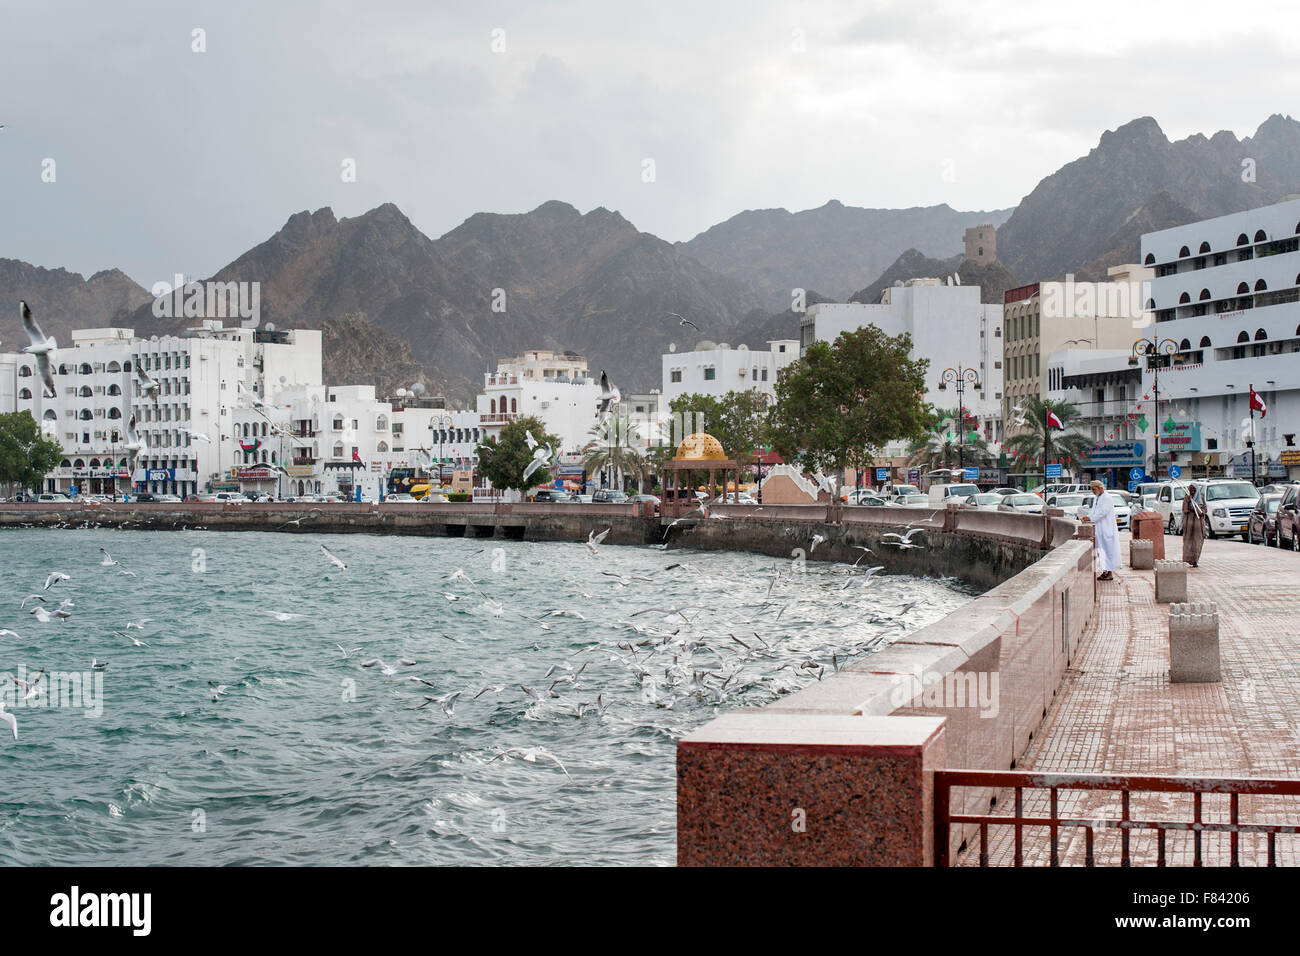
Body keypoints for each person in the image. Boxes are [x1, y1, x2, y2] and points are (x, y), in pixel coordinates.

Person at [1088, 479, 1120, 581]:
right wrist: (1088, 517)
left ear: (1100, 488)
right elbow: (1094, 511)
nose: (1093, 491)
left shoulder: (1107, 498)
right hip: (1099, 528)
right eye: (1092, 489)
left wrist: (1091, 519)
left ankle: (1110, 573)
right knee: (1101, 551)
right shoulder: (1097, 498)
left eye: (1094, 489)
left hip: (1107, 528)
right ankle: (1104, 571)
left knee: (1108, 551)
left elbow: (1102, 512)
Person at [1181, 483, 1206, 567]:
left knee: (1197, 542)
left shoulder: (1201, 499)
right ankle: (1187, 559)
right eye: (1190, 490)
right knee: (1188, 542)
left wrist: (1198, 511)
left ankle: (1195, 560)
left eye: (1193, 490)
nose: (1191, 492)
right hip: (1189, 524)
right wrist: (1188, 505)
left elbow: (1204, 511)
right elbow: (1184, 510)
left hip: (1198, 524)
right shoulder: (1187, 499)